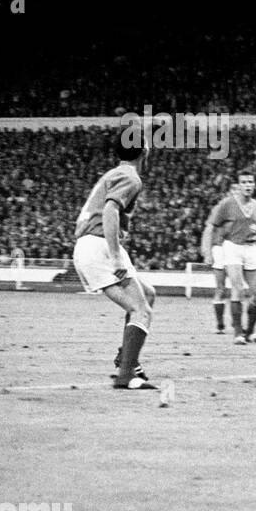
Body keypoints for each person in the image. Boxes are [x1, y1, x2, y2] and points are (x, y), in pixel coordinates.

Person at [71, 142, 157, 390]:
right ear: (144, 152)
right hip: (101, 248)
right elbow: (110, 210)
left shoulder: (111, 174)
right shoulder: (131, 177)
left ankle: (127, 359)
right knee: (142, 311)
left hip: (91, 244)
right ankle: (126, 375)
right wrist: (115, 255)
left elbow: (86, 218)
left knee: (148, 295)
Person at [203, 172, 256, 345]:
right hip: (232, 247)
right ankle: (238, 332)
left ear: (254, 184)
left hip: (252, 248)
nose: (248, 185)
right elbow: (211, 227)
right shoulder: (227, 204)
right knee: (237, 289)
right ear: (238, 185)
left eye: (250, 182)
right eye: (244, 182)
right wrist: (208, 252)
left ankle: (250, 332)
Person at [200, 181, 240, 334]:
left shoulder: (245, 209)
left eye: (238, 190)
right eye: (234, 190)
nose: (237, 192)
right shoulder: (220, 207)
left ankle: (237, 323)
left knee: (239, 287)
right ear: (229, 192)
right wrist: (207, 252)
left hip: (237, 248)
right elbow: (209, 229)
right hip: (220, 248)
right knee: (221, 288)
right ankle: (220, 324)